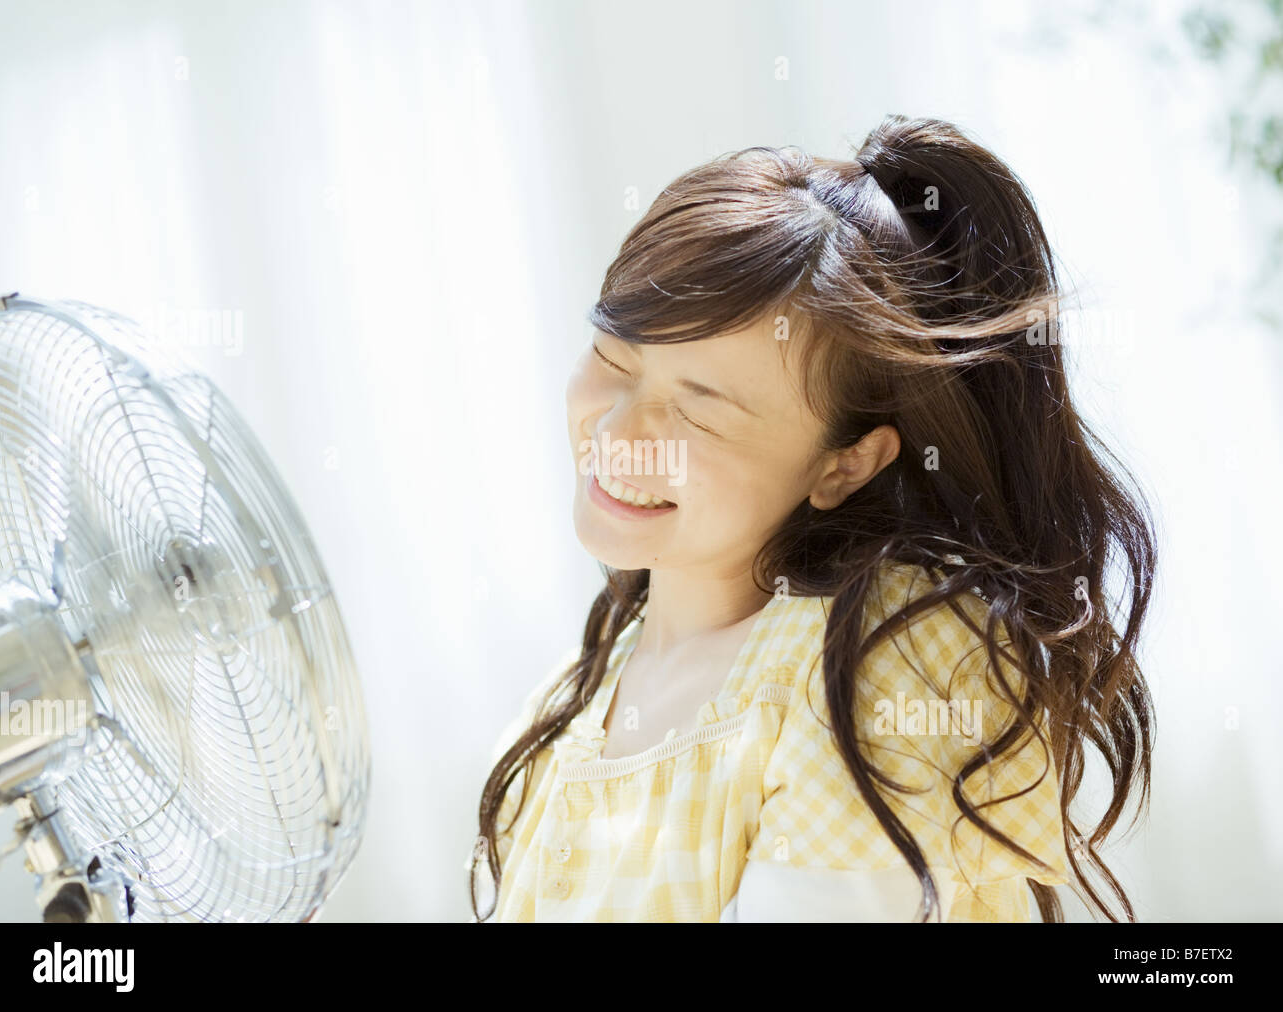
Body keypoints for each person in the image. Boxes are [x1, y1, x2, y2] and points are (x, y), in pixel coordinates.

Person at [470, 114, 1156, 923]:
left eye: (698, 414)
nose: (617, 434)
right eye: (615, 356)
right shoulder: (569, 702)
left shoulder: (878, 653)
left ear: (847, 462)